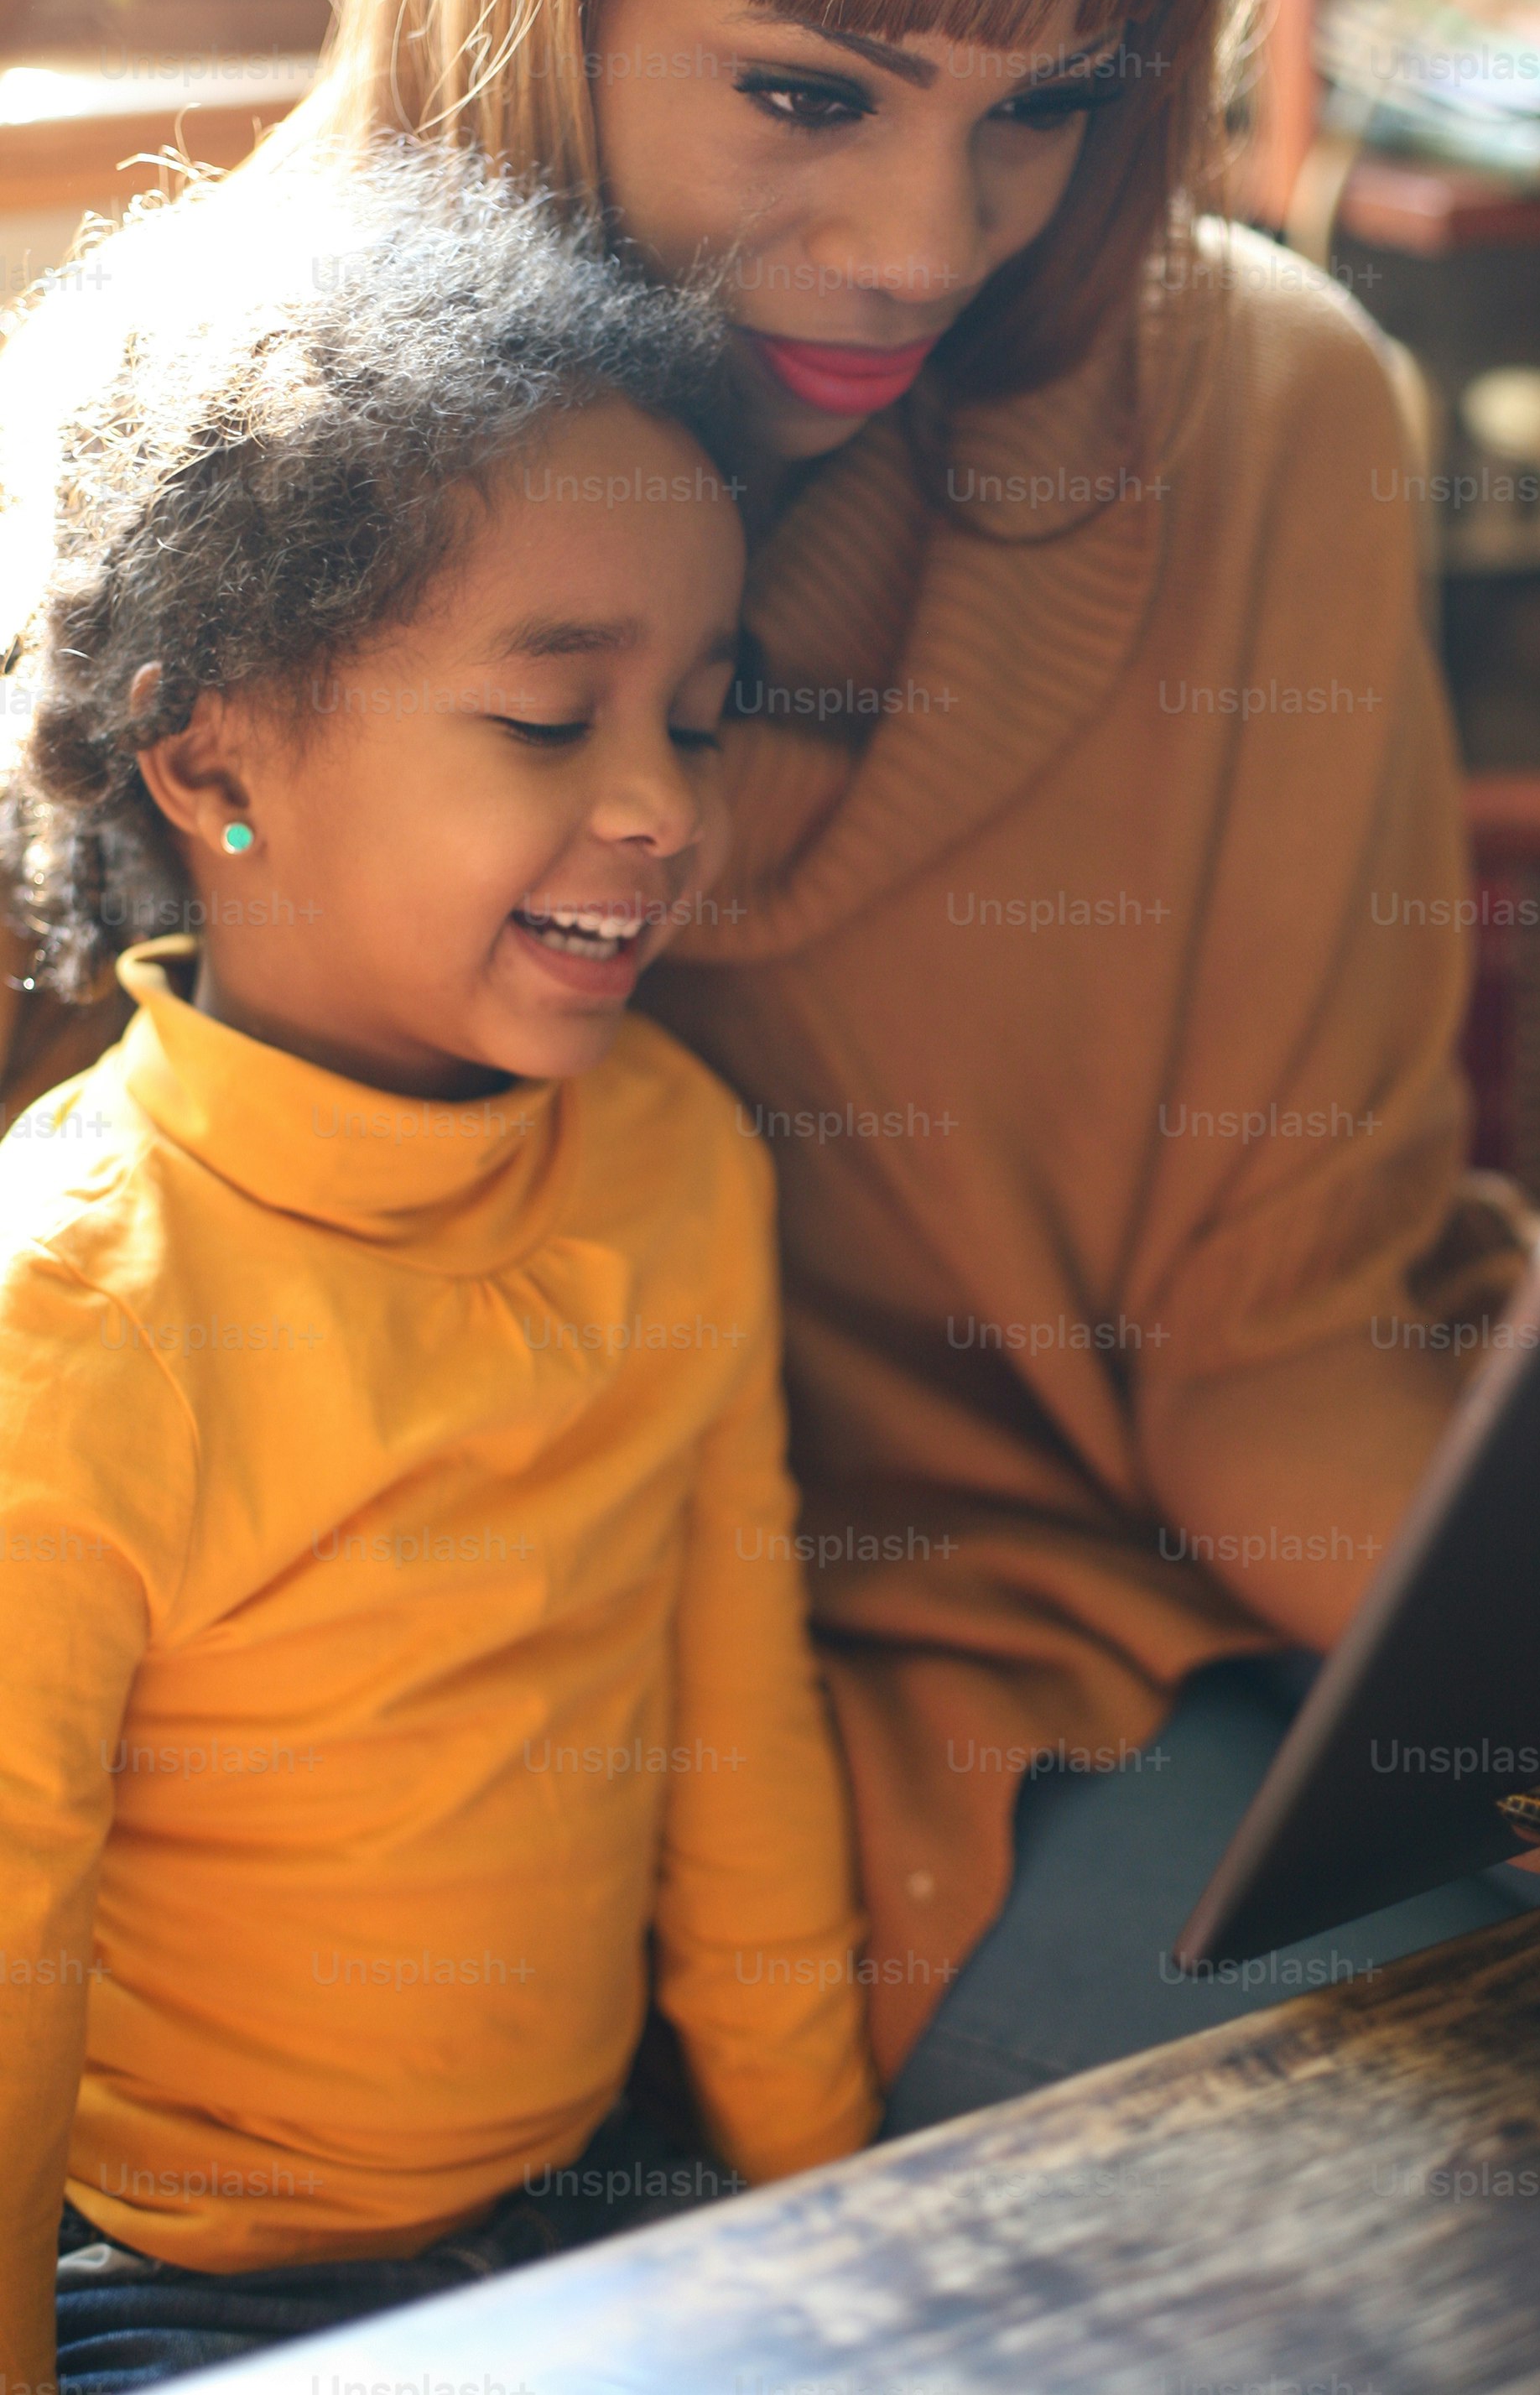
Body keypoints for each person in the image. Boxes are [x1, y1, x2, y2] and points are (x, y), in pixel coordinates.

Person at [7, 0, 1540, 2183]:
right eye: (810, 94)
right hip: (634, 1826)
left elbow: (1275, 1348)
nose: (930, 241)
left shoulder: (1263, 416)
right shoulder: (171, 461)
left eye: (1055, 101)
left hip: (1295, 1622)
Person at [0, 146, 878, 2393]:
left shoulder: (672, 1158)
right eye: (546, 716)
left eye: (697, 711)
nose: (666, 807)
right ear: (214, 760)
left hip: (608, 2199)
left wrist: (847, 2233)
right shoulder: (74, 1312)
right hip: (176, 2291)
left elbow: (740, 1739)